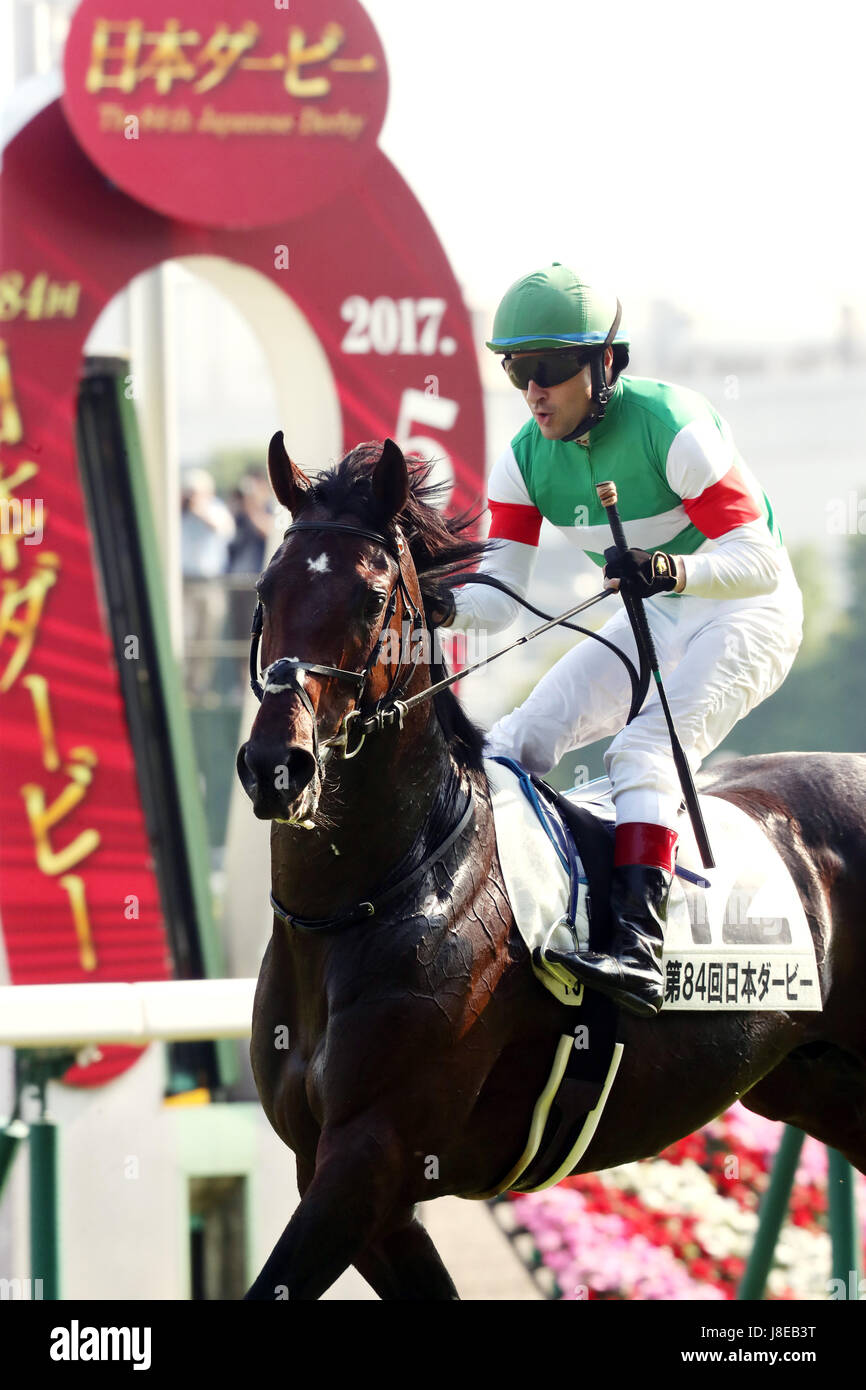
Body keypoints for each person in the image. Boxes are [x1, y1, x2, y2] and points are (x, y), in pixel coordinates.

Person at [436, 263, 803, 1017]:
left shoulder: (675, 426)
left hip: (748, 611)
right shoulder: (524, 459)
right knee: (511, 743)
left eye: (547, 369)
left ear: (604, 364)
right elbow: (499, 603)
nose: (532, 390)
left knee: (641, 751)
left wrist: (669, 566)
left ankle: (639, 944)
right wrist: (426, 606)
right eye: (515, 370)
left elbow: (761, 560)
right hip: (660, 613)